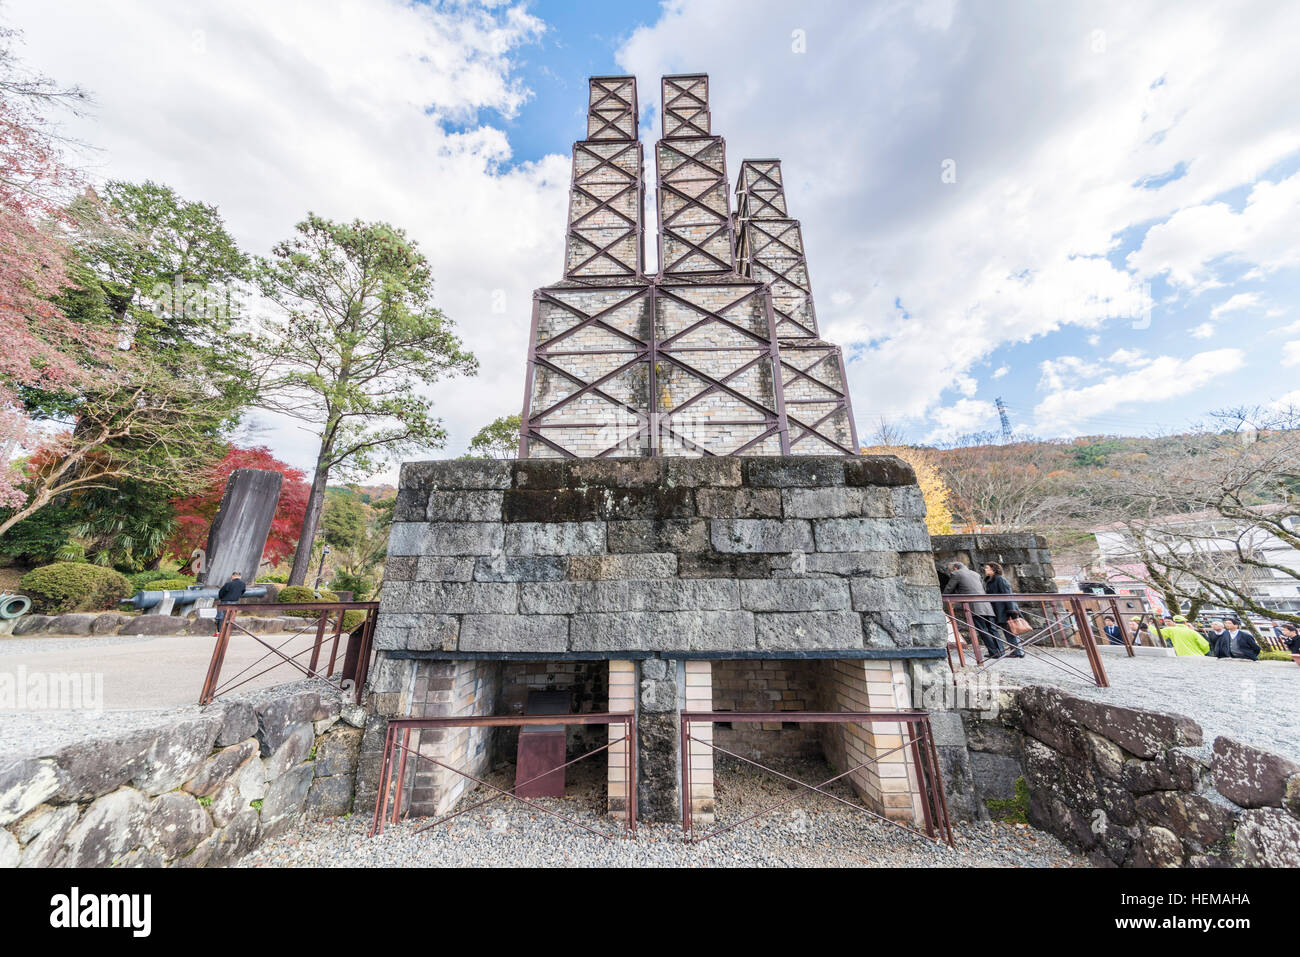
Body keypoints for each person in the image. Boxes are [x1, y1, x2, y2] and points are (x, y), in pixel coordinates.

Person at [943, 561, 1001, 657]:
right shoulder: (976, 574)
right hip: (986, 605)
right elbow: (981, 588)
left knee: (983, 630)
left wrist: (942, 599)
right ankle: (1000, 650)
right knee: (992, 629)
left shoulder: (956, 574)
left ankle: (994, 652)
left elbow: (949, 589)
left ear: (955, 568)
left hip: (975, 606)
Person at [982, 562, 1025, 658]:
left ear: (993, 570)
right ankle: (1015, 651)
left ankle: (1018, 652)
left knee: (1011, 630)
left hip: (1005, 609)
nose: (985, 570)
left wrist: (1011, 611)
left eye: (987, 568)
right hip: (998, 609)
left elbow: (1007, 595)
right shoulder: (990, 581)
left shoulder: (1000, 579)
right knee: (1008, 630)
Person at [214, 571, 247, 636]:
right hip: (235, 601)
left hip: (225, 601)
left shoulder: (229, 584)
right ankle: (228, 631)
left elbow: (221, 592)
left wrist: (221, 598)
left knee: (221, 616)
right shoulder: (243, 584)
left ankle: (220, 631)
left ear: (233, 576)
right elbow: (243, 591)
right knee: (231, 616)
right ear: (240, 577)